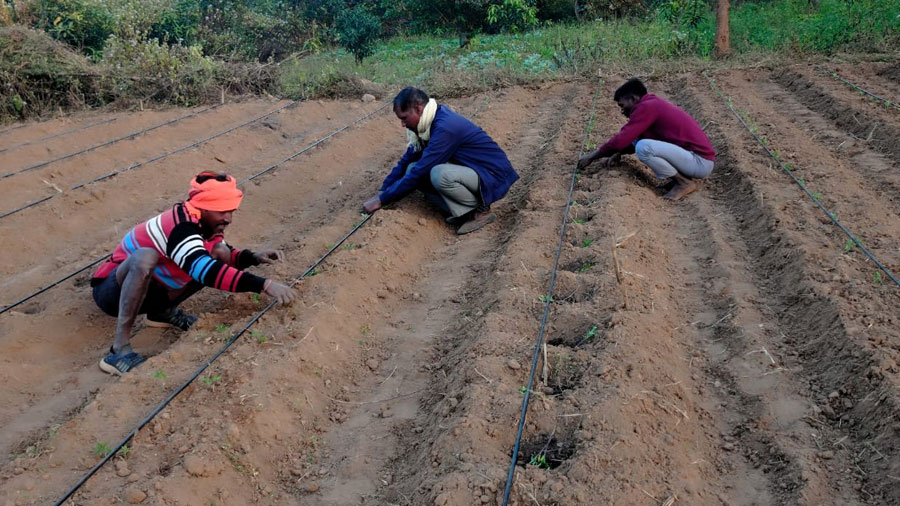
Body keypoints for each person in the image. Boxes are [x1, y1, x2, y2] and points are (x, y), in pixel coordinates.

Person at [90, 172, 296, 375]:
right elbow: (205, 270)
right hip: (111, 292)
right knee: (145, 257)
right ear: (204, 207)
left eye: (231, 211)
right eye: (222, 212)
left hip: (153, 289)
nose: (229, 219)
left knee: (218, 253)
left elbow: (223, 254)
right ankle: (119, 350)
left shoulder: (205, 222)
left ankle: (162, 312)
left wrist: (253, 257)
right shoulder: (181, 226)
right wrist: (265, 285)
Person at [362, 87, 519, 234]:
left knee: (438, 173)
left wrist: (382, 200)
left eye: (404, 118)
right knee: (411, 168)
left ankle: (481, 211)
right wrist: (384, 190)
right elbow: (408, 159)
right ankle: (462, 212)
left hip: (492, 174)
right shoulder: (426, 125)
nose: (402, 124)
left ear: (418, 109)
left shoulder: (445, 128)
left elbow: (422, 170)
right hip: (472, 170)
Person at [578, 78, 716, 200]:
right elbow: (632, 139)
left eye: (622, 105)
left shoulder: (647, 107)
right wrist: (618, 152)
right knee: (640, 142)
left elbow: (622, 139)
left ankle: (683, 183)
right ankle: (679, 180)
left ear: (633, 99)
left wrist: (592, 156)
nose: (622, 111)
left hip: (700, 162)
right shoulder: (651, 104)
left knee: (644, 147)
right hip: (692, 159)